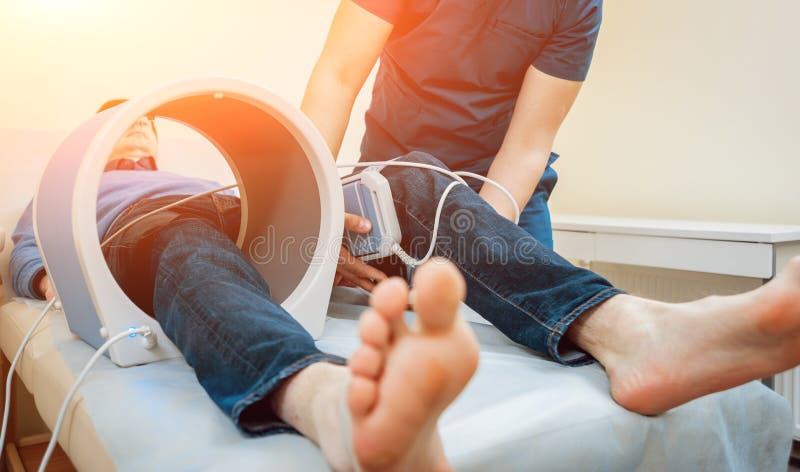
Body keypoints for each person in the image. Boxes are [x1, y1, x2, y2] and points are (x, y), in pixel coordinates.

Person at [11, 101, 800, 470]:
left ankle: (629, 331)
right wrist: (54, 273)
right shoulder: (60, 196)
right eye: (125, 131)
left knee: (407, 189)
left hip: (239, 219)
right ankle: (329, 402)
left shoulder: (195, 171)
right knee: (187, 245)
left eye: (144, 127)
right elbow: (34, 271)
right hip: (143, 241)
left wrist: (315, 235)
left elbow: (274, 216)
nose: (138, 138)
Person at [302, 0, 602, 267]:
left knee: (536, 313)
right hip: (392, 185)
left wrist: (478, 245)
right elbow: (337, 79)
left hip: (501, 187)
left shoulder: (576, 5)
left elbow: (527, 147)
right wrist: (311, 211)